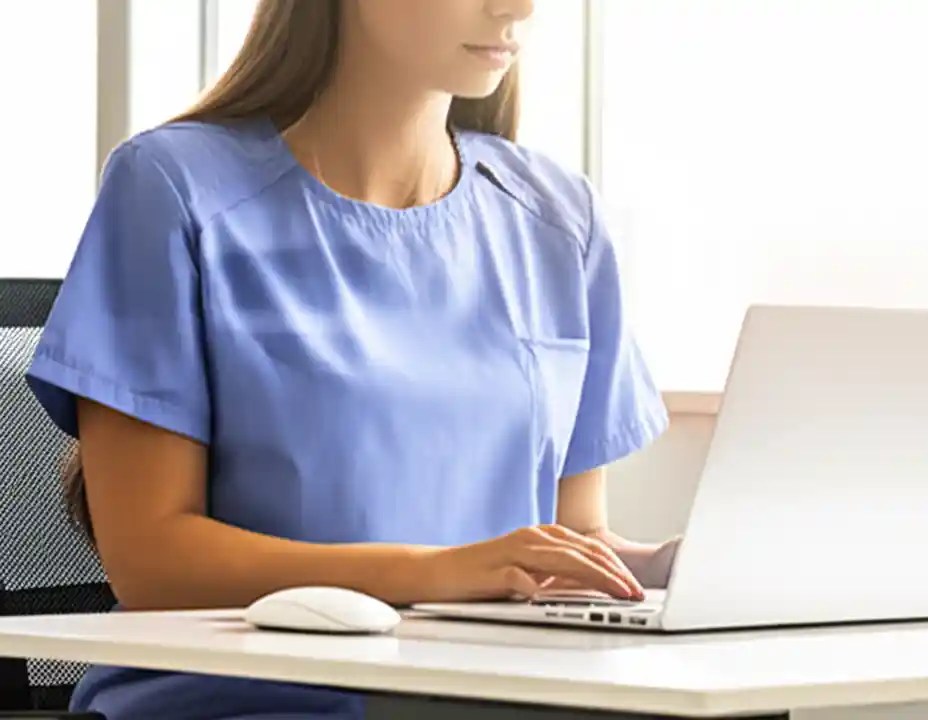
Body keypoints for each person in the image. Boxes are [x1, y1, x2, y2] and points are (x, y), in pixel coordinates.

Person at [26, 0, 675, 717]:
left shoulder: (560, 219)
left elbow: (573, 543)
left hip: (485, 697)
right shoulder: (172, 189)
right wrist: (439, 573)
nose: (517, 7)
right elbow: (151, 560)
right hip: (247, 702)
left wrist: (689, 569)